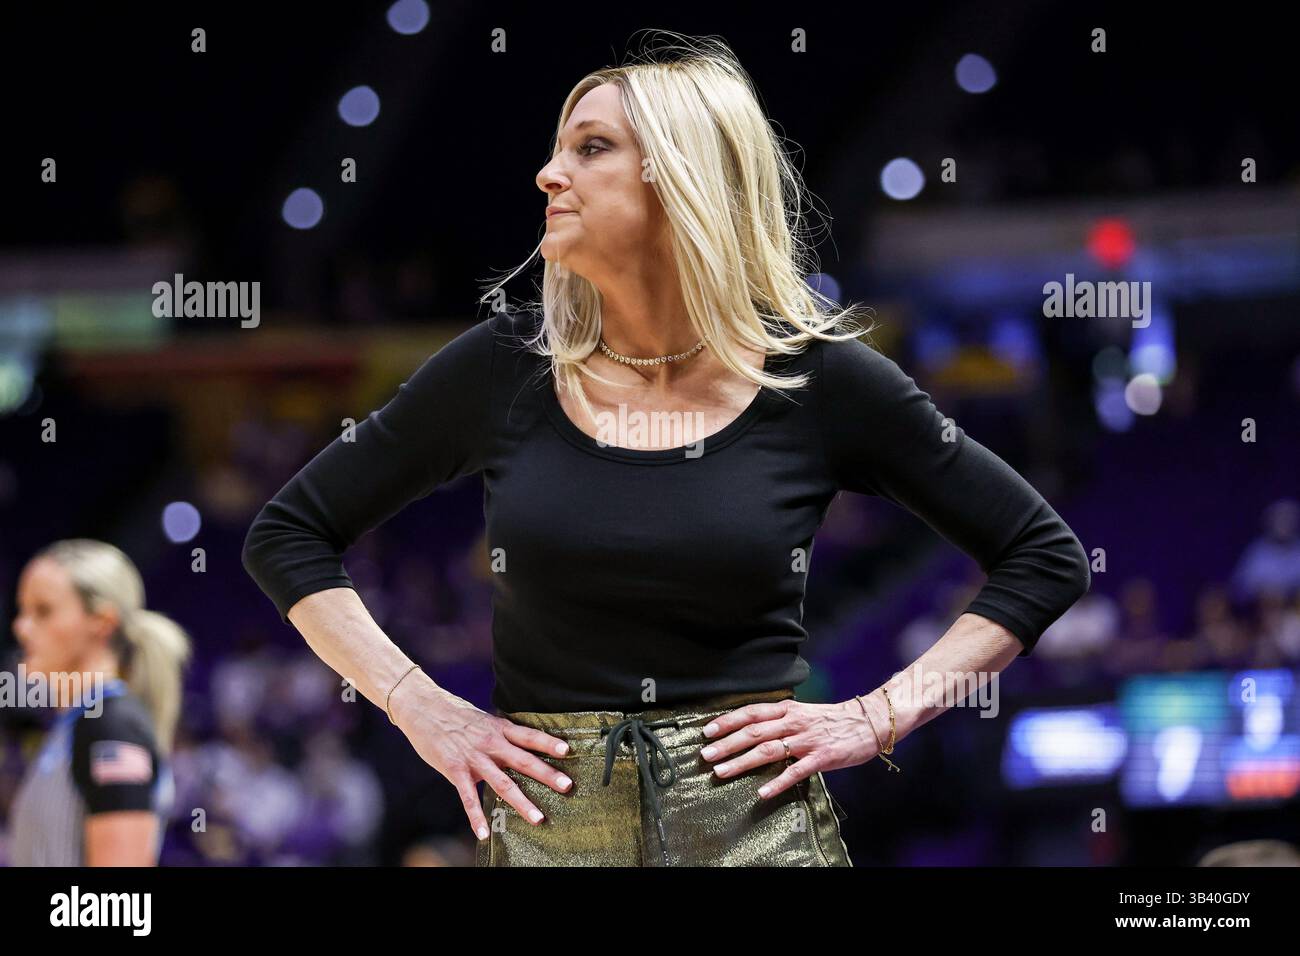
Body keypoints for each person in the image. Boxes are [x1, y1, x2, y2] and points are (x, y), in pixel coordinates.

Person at [242, 33, 1090, 866]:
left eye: (592, 148)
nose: (549, 173)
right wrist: (422, 707)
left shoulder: (819, 380)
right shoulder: (503, 368)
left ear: (684, 177)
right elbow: (288, 535)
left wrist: (878, 715)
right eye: (558, 149)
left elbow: (1043, 555)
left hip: (758, 831)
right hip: (552, 832)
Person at [9, 539, 191, 865]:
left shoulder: (111, 724)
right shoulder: (77, 723)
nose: (21, 627)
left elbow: (117, 906)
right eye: (22, 610)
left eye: (43, 611)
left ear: (102, 623)